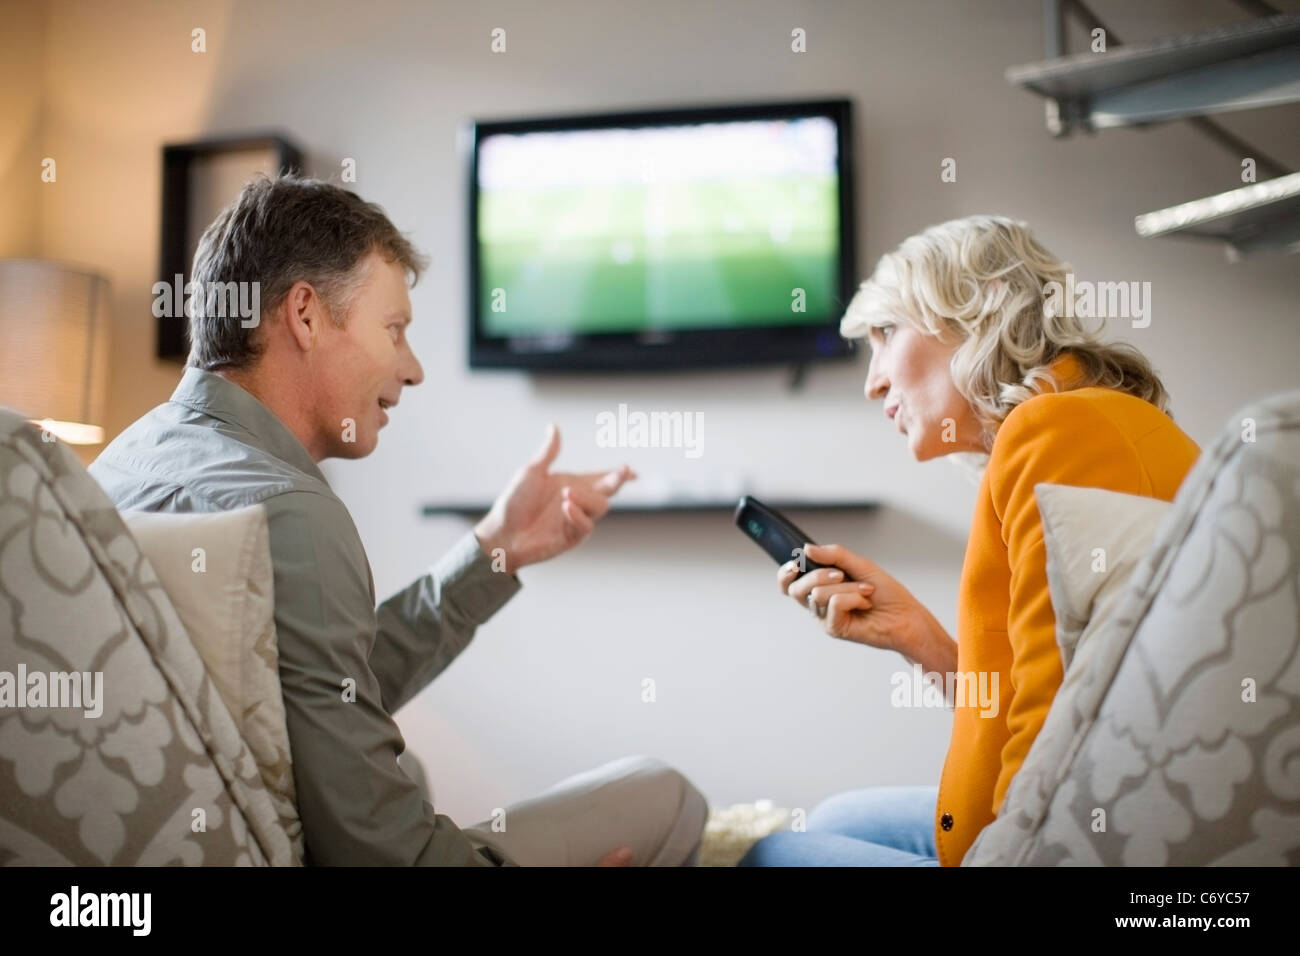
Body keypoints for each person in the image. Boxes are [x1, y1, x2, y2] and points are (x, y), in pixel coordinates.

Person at [90, 173, 707, 867]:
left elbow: (299, 687)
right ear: (305, 315)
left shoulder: (118, 465)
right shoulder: (291, 514)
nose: (412, 370)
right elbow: (391, 856)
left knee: (406, 772)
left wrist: (494, 552)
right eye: (394, 330)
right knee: (668, 793)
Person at [739, 215, 1201, 867]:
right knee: (838, 817)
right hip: (1048, 816)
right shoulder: (1075, 421)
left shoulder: (1060, 434)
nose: (873, 382)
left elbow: (1059, 740)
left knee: (775, 855)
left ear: (973, 311)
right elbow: (1054, 683)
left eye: (886, 332)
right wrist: (919, 639)